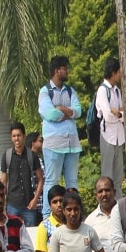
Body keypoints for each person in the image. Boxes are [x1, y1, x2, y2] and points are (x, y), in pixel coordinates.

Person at [37, 54, 82, 218]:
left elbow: (78, 111)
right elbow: (49, 113)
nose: (67, 71)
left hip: (72, 143)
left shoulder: (70, 90)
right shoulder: (45, 91)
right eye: (65, 69)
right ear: (57, 71)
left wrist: (62, 109)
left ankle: (74, 212)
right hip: (54, 144)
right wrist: (65, 112)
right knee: (52, 181)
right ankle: (47, 216)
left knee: (72, 181)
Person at [0, 122, 44, 224]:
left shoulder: (32, 156)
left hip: (29, 204)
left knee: (30, 235)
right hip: (12, 204)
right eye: (14, 136)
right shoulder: (6, 155)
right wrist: (2, 204)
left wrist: (35, 200)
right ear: (11, 138)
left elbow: (41, 180)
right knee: (12, 234)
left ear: (24, 136)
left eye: (19, 135)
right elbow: (3, 182)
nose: (16, 139)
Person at [95, 57, 126, 194]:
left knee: (118, 176)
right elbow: (107, 116)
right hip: (108, 135)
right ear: (113, 72)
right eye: (119, 72)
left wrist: (118, 114)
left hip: (119, 136)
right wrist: (118, 114)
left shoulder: (117, 90)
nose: (120, 75)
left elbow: (124, 114)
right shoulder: (103, 91)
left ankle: (118, 204)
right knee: (107, 175)